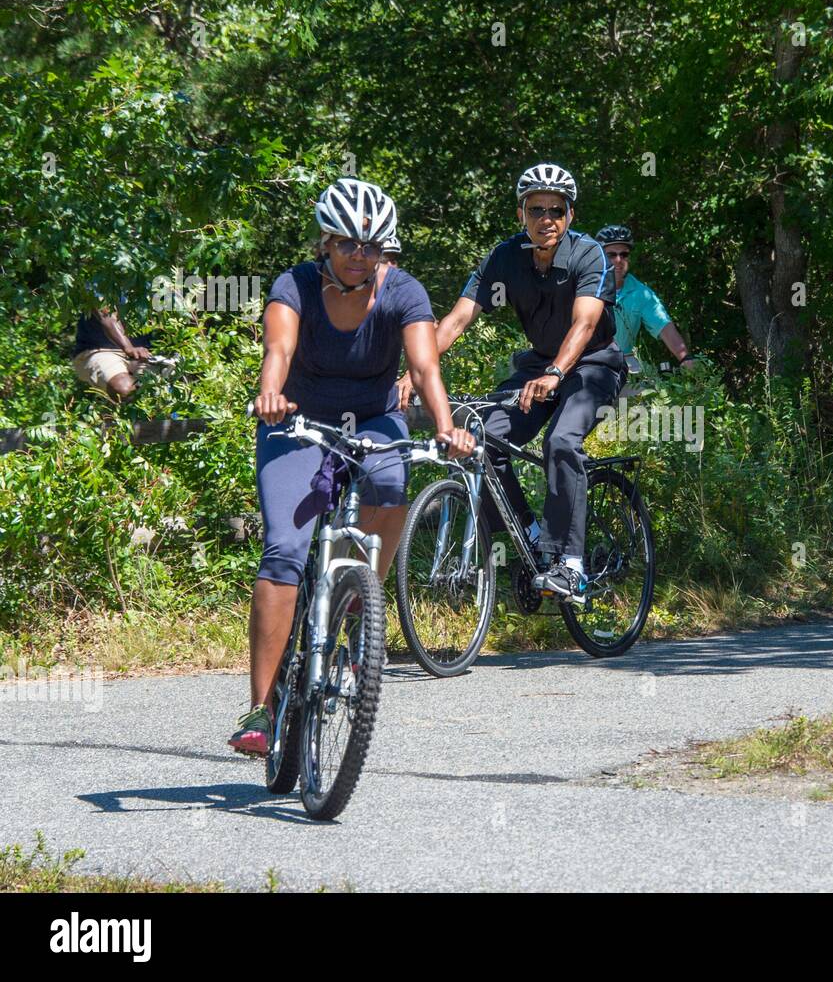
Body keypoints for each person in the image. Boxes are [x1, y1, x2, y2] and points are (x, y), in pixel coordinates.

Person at [231, 177, 474, 755]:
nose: (358, 255)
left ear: (382, 248)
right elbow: (279, 350)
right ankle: (260, 711)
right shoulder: (294, 284)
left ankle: (363, 599)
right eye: (346, 244)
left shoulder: (404, 292)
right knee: (285, 550)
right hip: (298, 420)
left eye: (369, 246)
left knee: (391, 481)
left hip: (372, 419)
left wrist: (444, 427)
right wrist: (270, 395)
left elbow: (424, 366)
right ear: (326, 243)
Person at [435, 163, 625, 603]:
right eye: (536, 209)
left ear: (570, 215)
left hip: (593, 366)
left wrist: (556, 374)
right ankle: (533, 538)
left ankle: (570, 565)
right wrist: (414, 373)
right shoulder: (505, 256)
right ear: (521, 212)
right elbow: (459, 317)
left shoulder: (589, 254)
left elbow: (584, 324)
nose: (547, 219)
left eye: (556, 210)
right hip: (540, 366)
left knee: (560, 442)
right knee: (480, 439)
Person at [595, 224, 696, 372]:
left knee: (649, 389)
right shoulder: (585, 285)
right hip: (587, 362)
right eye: (611, 255)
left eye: (624, 254)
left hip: (625, 362)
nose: (618, 260)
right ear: (600, 256)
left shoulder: (641, 292)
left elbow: (664, 326)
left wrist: (685, 358)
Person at [71, 292, 154, 402]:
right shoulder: (99, 279)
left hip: (143, 354)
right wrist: (128, 347)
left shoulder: (162, 280)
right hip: (100, 351)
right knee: (123, 388)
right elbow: (107, 316)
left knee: (156, 391)